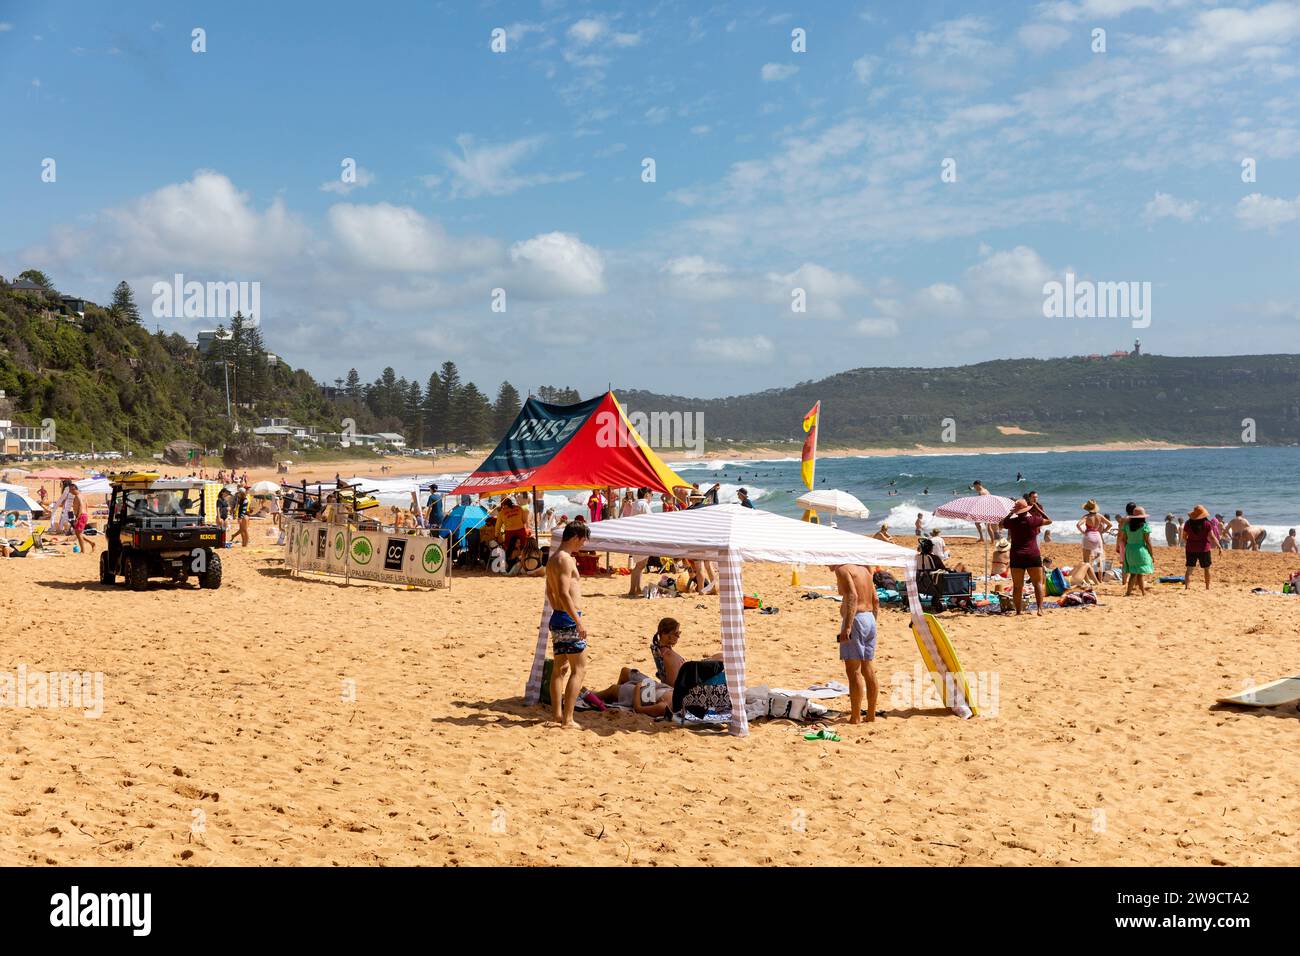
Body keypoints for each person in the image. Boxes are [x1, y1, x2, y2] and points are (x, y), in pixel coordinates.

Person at [545, 523, 590, 728]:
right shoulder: (565, 559)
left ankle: (556, 715)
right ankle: (568, 719)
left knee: (559, 668)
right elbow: (563, 592)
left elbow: (550, 592)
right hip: (569, 618)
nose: (583, 544)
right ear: (575, 537)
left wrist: (559, 610)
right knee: (578, 669)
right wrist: (577, 620)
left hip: (559, 616)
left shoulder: (553, 558)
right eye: (583, 539)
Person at [831, 563, 880, 724]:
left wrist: (848, 626)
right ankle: (871, 714)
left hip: (857, 619)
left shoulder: (843, 569)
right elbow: (876, 599)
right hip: (869, 618)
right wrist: (872, 622)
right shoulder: (865, 569)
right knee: (868, 668)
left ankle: (856, 717)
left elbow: (852, 596)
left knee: (854, 671)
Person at [1001, 497, 1051, 616]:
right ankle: (1040, 609)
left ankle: (1018, 611)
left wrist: (1010, 513)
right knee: (1037, 583)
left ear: (1017, 511)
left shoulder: (1012, 522)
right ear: (1027, 509)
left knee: (1017, 586)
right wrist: (1038, 509)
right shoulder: (1033, 520)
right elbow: (1049, 521)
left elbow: (1001, 524)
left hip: (1017, 556)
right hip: (1033, 555)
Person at [592, 666, 674, 717]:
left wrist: (637, 687)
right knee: (625, 671)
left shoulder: (663, 707)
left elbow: (638, 709)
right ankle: (617, 697)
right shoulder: (682, 693)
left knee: (612, 689)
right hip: (656, 686)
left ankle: (590, 696)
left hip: (643, 695)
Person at [1182, 504, 1218, 590]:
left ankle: (1187, 587)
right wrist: (1219, 546)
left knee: (1189, 569)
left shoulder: (1188, 523)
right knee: (1206, 569)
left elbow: (1184, 536)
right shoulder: (1207, 524)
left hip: (1190, 548)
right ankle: (1207, 587)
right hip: (1204, 549)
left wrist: (1189, 542)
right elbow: (1212, 537)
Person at [1120, 506, 1154, 596]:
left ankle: (1138, 592)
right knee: (1139, 574)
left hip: (1129, 550)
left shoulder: (1127, 526)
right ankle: (1133, 592)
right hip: (1140, 550)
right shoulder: (1145, 527)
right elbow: (1148, 541)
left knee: (1134, 573)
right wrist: (1151, 554)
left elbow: (1124, 539)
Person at [1075, 500, 1111, 576]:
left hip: (1088, 536)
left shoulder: (1086, 516)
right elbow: (1110, 524)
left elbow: (1078, 525)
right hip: (1097, 536)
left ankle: (1089, 578)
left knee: (1086, 560)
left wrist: (1083, 532)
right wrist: (1103, 531)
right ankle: (1100, 579)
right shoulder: (1100, 516)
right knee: (1098, 560)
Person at [70, 484, 95, 554]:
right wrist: (86, 514)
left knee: (78, 533)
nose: (70, 492)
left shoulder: (78, 496)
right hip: (84, 515)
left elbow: (81, 506)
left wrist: (77, 518)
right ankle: (91, 543)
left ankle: (83, 550)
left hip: (81, 515)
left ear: (74, 489)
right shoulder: (82, 496)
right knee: (78, 533)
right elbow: (86, 505)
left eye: (70, 490)